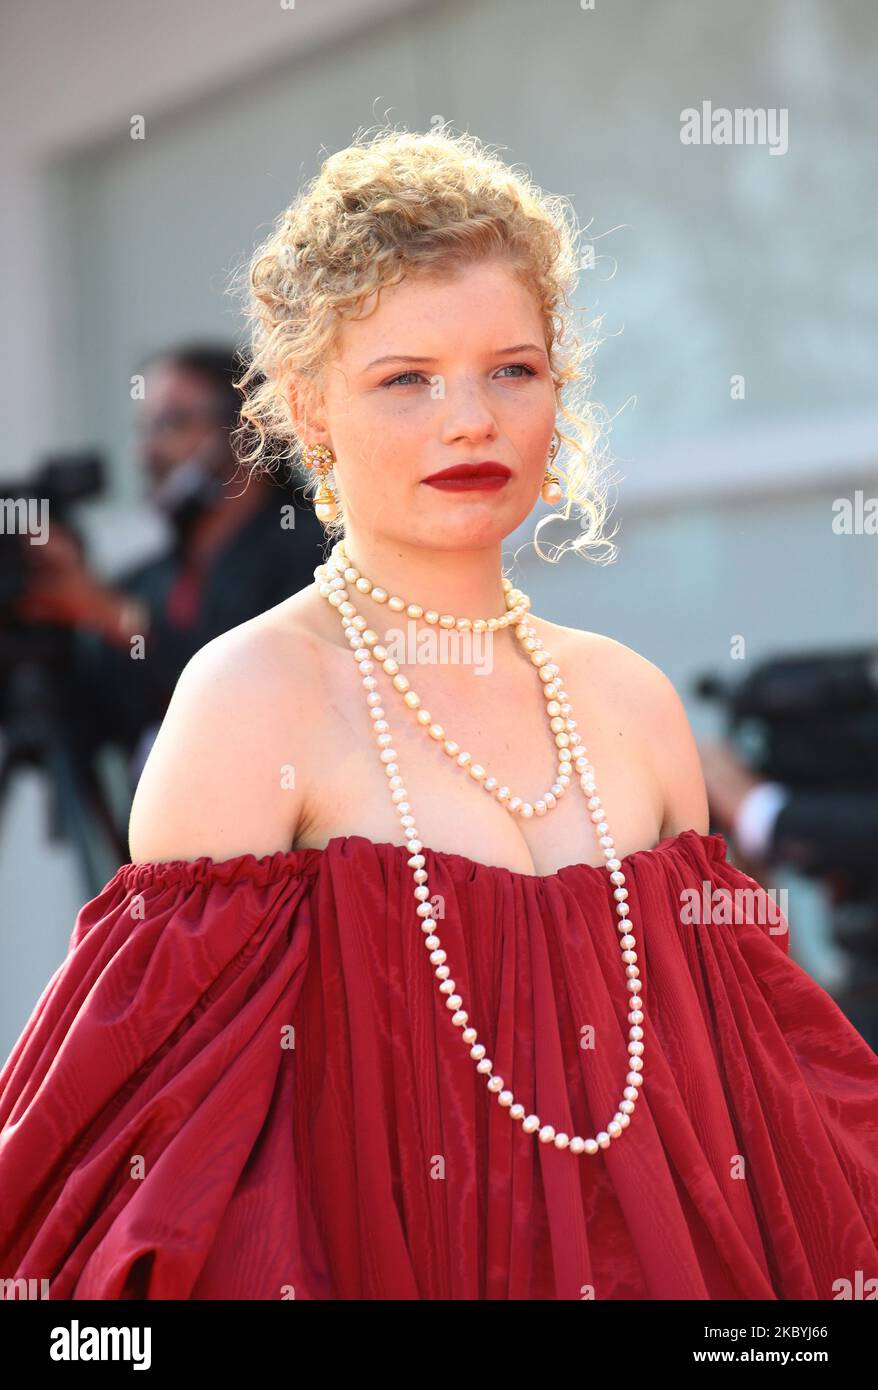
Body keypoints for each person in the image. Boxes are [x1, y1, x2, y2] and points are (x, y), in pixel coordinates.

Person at [0, 126, 876, 1302]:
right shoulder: (254, 695)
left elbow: (760, 1112)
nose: (470, 419)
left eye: (511, 368)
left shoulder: (628, 697)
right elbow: (158, 1172)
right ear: (307, 408)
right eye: (404, 378)